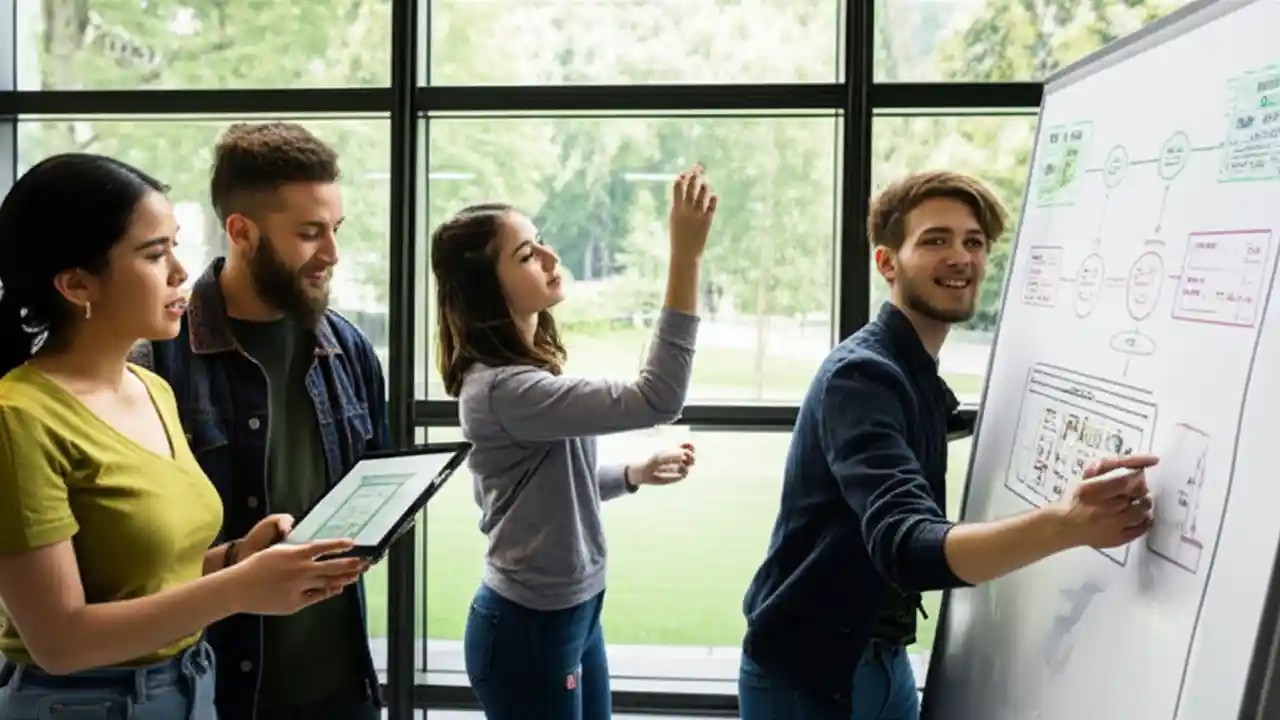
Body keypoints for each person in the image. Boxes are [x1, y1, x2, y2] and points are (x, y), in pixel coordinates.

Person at [737, 170, 1158, 719]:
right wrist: (1068, 523)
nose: (961, 257)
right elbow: (907, 546)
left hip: (881, 662)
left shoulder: (916, 374)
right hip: (812, 677)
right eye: (935, 240)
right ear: (888, 263)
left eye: (973, 242)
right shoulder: (862, 376)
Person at [0, 153, 366, 720]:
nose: (179, 272)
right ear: (76, 283)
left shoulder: (151, 388)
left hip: (190, 688)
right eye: (153, 254)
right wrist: (241, 588)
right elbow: (59, 641)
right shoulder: (17, 417)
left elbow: (145, 579)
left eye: (175, 245)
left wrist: (237, 558)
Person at [430, 165, 718, 719]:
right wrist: (687, 257)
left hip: (574, 609)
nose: (549, 258)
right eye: (525, 255)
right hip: (528, 626)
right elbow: (658, 398)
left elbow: (546, 490)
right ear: (488, 286)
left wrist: (630, 475)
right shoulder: (504, 389)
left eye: (540, 244)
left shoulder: (526, 375)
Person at [129, 123, 390, 720]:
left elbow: (375, 483)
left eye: (335, 230)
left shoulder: (347, 347)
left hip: (341, 685)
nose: (332, 253)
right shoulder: (153, 358)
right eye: (309, 233)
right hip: (212, 690)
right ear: (241, 232)